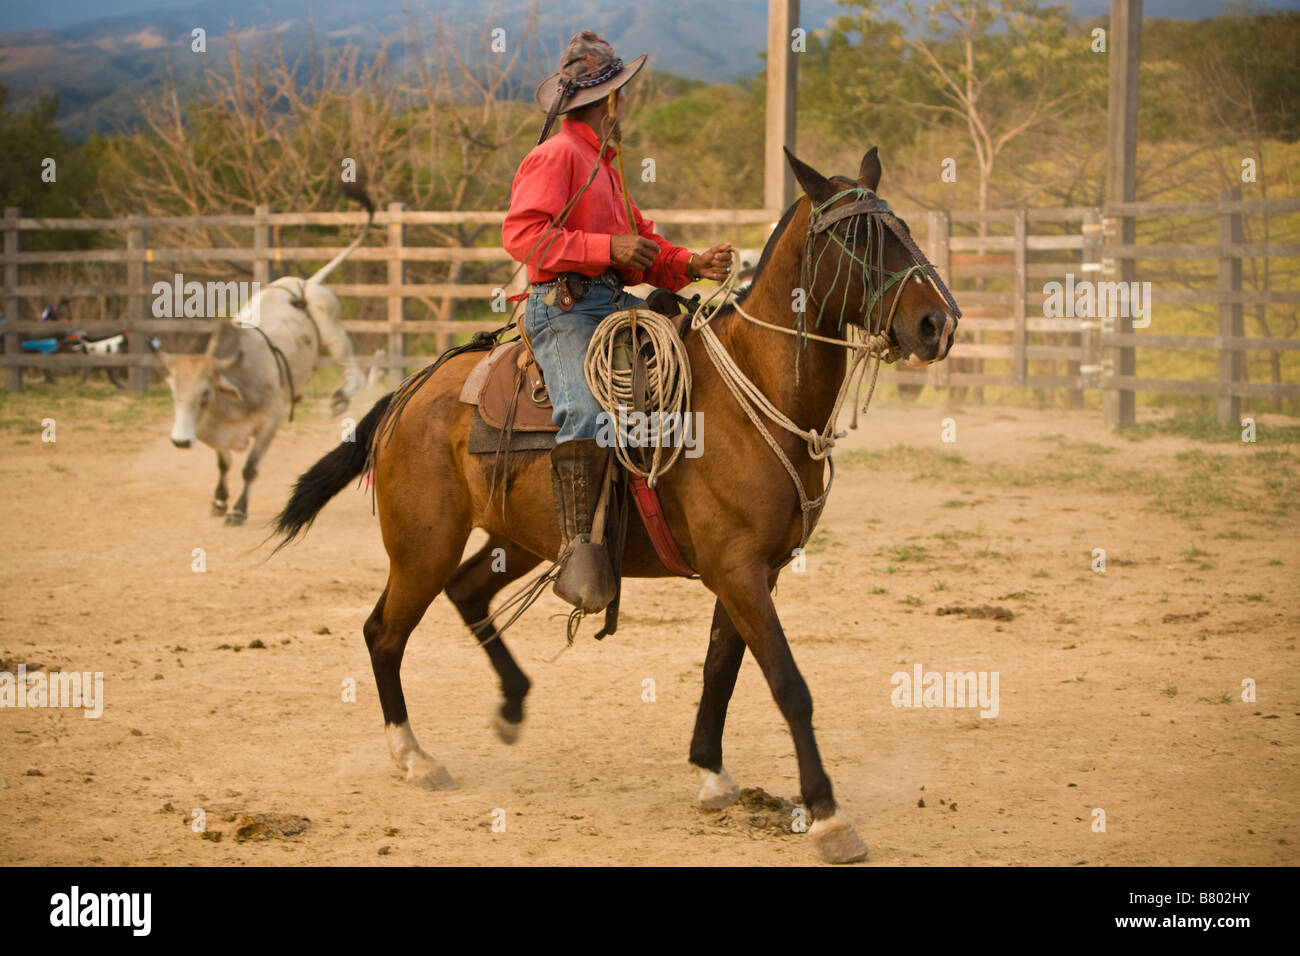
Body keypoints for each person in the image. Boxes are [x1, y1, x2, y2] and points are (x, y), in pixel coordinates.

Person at [503, 30, 731, 613]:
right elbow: (524, 238)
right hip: (565, 309)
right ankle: (581, 547)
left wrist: (690, 264)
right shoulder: (558, 156)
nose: (622, 105)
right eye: (620, 96)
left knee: (690, 358)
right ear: (607, 101)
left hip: (610, 303)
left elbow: (643, 243)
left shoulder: (606, 165)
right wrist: (606, 247)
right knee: (585, 406)